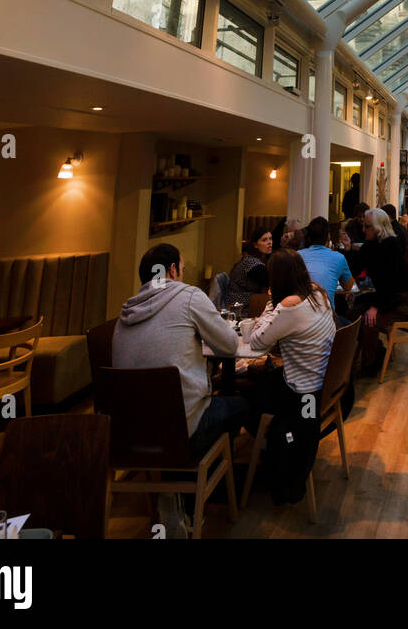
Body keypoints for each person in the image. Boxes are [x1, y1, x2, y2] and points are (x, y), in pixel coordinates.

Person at [112, 243, 247, 536]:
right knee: (240, 405)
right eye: (183, 269)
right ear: (172, 270)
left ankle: (171, 492)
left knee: (181, 405)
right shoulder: (188, 296)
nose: (183, 275)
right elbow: (228, 344)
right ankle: (197, 492)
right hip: (180, 433)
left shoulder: (126, 310)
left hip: (127, 436)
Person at [247, 250, 336, 505]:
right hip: (323, 384)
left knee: (248, 397)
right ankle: (269, 448)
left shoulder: (289, 305)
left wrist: (271, 304)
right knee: (259, 378)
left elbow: (257, 340)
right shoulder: (317, 292)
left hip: (300, 391)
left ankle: (262, 455)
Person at [353, 208, 408, 371]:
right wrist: (347, 250)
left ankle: (370, 365)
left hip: (400, 300)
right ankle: (376, 350)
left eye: (367, 227)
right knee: (349, 316)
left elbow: (391, 283)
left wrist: (375, 306)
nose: (363, 230)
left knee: (368, 322)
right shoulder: (370, 245)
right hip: (382, 297)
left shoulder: (391, 246)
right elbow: (358, 270)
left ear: (379, 228)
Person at [298, 216, 356, 306]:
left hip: (300, 314)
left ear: (308, 237)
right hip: (326, 316)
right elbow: (348, 287)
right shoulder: (338, 257)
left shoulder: (296, 256)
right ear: (328, 236)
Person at [223, 225, 272, 314]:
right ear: (255, 245)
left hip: (249, 300)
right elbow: (271, 281)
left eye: (270, 239)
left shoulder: (255, 258)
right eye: (264, 240)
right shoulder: (252, 263)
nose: (269, 242)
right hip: (239, 307)